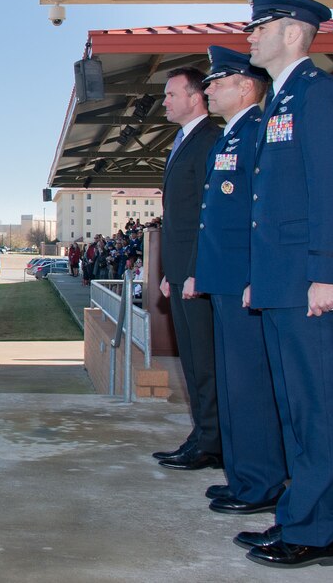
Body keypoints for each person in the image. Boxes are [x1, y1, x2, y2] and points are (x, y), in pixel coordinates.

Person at [233, 0, 333, 569]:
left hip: (308, 281)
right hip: (281, 278)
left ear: (292, 32)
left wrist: (326, 274)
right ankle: (300, 516)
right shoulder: (283, 100)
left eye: (258, 26)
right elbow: (273, 201)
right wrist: (258, 277)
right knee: (293, 404)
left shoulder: (320, 97)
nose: (250, 36)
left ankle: (317, 532)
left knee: (314, 406)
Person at [193, 46, 287, 517]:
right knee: (233, 384)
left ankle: (262, 481)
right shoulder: (230, 138)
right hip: (226, 280)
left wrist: (256, 275)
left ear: (245, 87)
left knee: (249, 385)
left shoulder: (256, 133)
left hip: (244, 281)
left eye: (217, 82)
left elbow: (262, 214)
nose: (207, 89)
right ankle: (243, 474)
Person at [153, 65, 224, 472]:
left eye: (171, 94)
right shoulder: (183, 141)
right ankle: (203, 434)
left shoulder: (209, 141)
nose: (165, 101)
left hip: (199, 274)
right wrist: (170, 270)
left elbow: (208, 214)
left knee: (204, 361)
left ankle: (211, 440)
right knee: (192, 361)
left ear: (195, 97)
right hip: (181, 272)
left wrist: (195, 269)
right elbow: (177, 216)